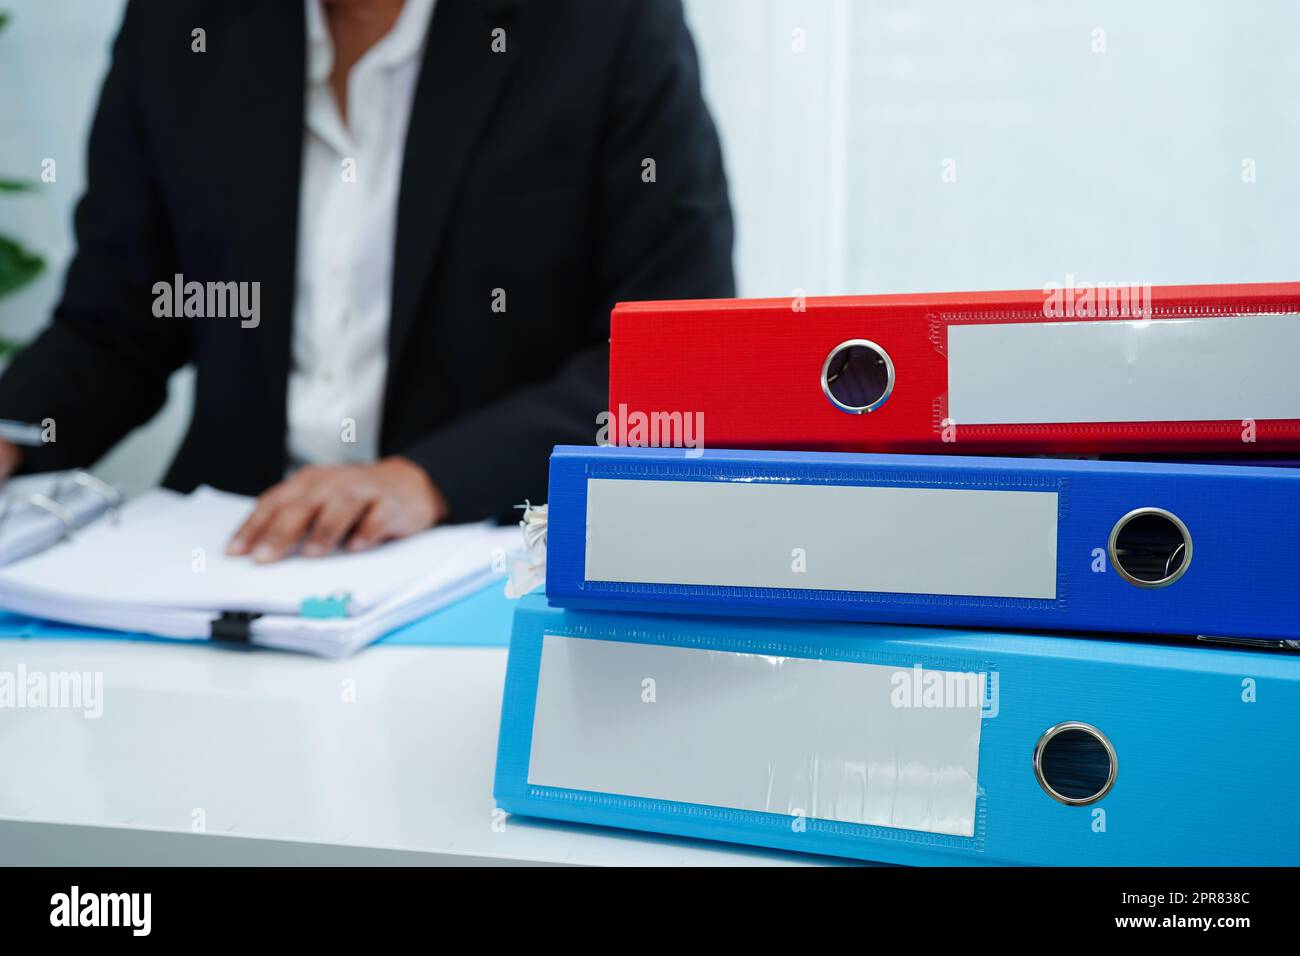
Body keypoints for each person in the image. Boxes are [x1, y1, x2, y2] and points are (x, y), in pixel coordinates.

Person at [0, 0, 733, 562]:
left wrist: (429, 479)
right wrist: (11, 431)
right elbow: (118, 324)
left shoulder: (607, 25)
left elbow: (676, 361)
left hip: (485, 550)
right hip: (234, 554)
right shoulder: (181, 24)